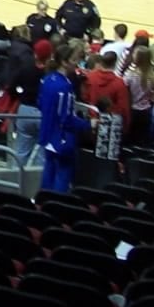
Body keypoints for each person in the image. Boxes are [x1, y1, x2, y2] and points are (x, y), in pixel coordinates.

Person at [38, 41, 91, 194]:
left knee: (48, 172)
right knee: (63, 175)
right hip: (60, 138)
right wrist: (88, 124)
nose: (76, 64)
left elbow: (40, 104)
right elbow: (66, 118)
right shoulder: (64, 86)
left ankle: (43, 202)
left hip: (47, 135)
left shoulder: (47, 79)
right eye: (74, 60)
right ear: (64, 62)